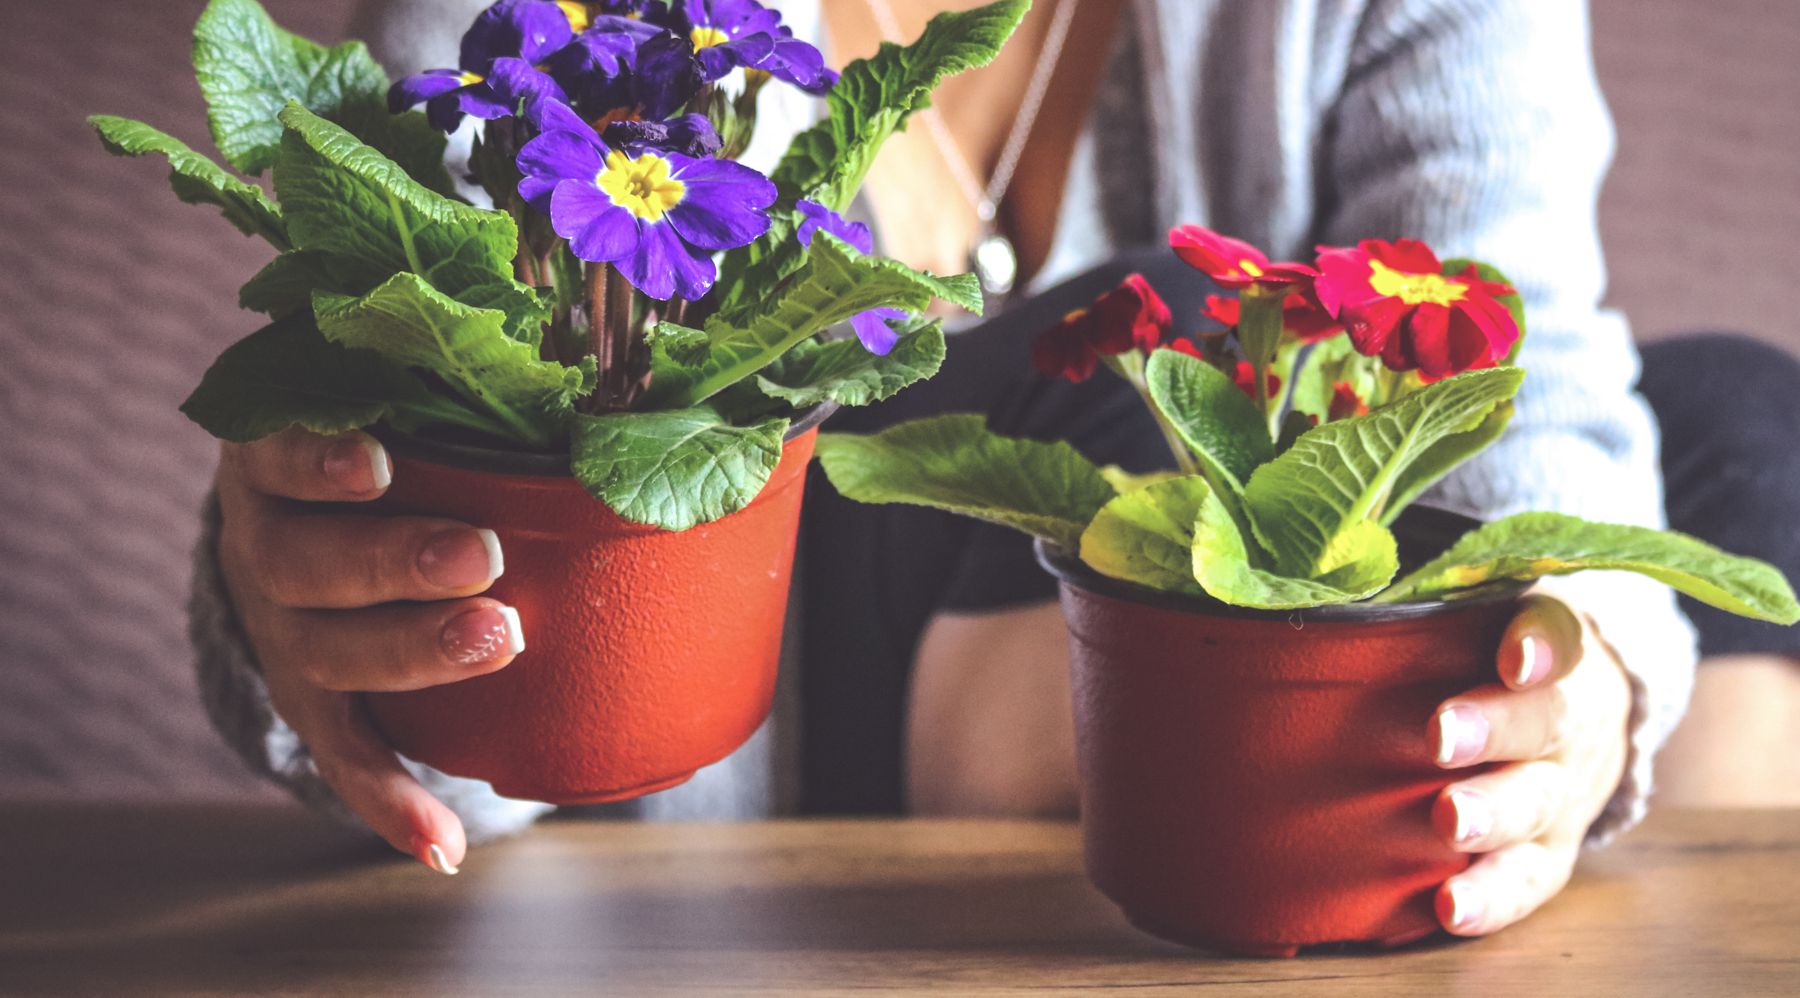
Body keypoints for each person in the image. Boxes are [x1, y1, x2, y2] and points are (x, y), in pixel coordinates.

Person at [192, 0, 1799, 940]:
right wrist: (343, 577)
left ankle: (1433, 879)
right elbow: (449, 386)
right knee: (1137, 383)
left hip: (1209, 620)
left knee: (1745, 432)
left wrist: (1586, 690)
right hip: (750, 666)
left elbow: (1525, 349)